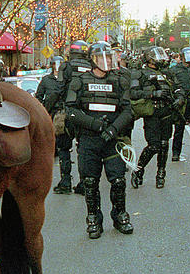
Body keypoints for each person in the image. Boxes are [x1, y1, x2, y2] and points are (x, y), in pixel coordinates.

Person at [65, 42, 135, 238]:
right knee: (90, 181)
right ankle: (94, 218)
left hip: (112, 139)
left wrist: (113, 130)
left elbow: (128, 111)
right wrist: (94, 124)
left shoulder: (119, 81)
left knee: (119, 180)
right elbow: (70, 110)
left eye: (109, 57)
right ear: (91, 60)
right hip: (89, 139)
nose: (106, 62)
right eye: (100, 58)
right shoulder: (79, 81)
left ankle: (120, 215)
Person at [129, 46, 181, 189]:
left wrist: (179, 99)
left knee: (164, 144)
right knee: (154, 145)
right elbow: (133, 93)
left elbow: (178, 89)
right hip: (152, 113)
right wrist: (152, 94)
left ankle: (161, 174)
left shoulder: (168, 73)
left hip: (167, 112)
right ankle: (139, 169)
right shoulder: (140, 74)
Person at [58, 40, 93, 194]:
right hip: (85, 113)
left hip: (67, 111)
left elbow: (59, 88)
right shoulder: (92, 66)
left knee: (64, 147)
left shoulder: (65, 66)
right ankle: (83, 183)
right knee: (82, 148)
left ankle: (65, 181)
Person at [35, 56, 73, 194]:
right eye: (55, 64)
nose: (57, 67)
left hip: (69, 115)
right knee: (62, 149)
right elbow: (38, 97)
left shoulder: (70, 79)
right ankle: (65, 180)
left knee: (70, 149)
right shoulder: (46, 80)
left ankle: (72, 181)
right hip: (55, 116)